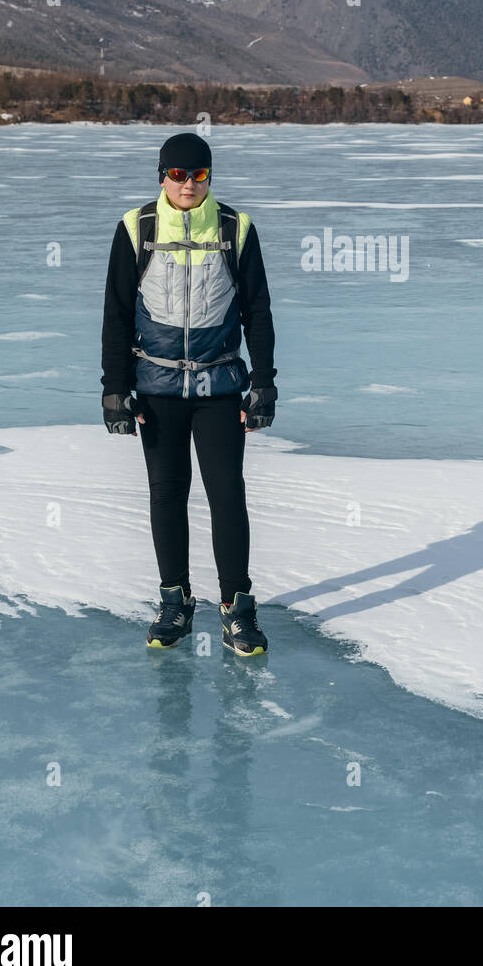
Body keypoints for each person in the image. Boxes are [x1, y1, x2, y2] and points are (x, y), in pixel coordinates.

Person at [100, 131, 277, 655]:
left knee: (227, 496)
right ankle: (175, 600)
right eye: (177, 175)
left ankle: (237, 608)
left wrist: (263, 382)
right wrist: (114, 389)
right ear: (162, 176)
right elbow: (116, 313)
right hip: (155, 388)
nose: (187, 185)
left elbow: (257, 312)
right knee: (167, 494)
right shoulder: (137, 229)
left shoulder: (235, 228)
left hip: (219, 387)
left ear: (209, 176)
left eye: (198, 175)